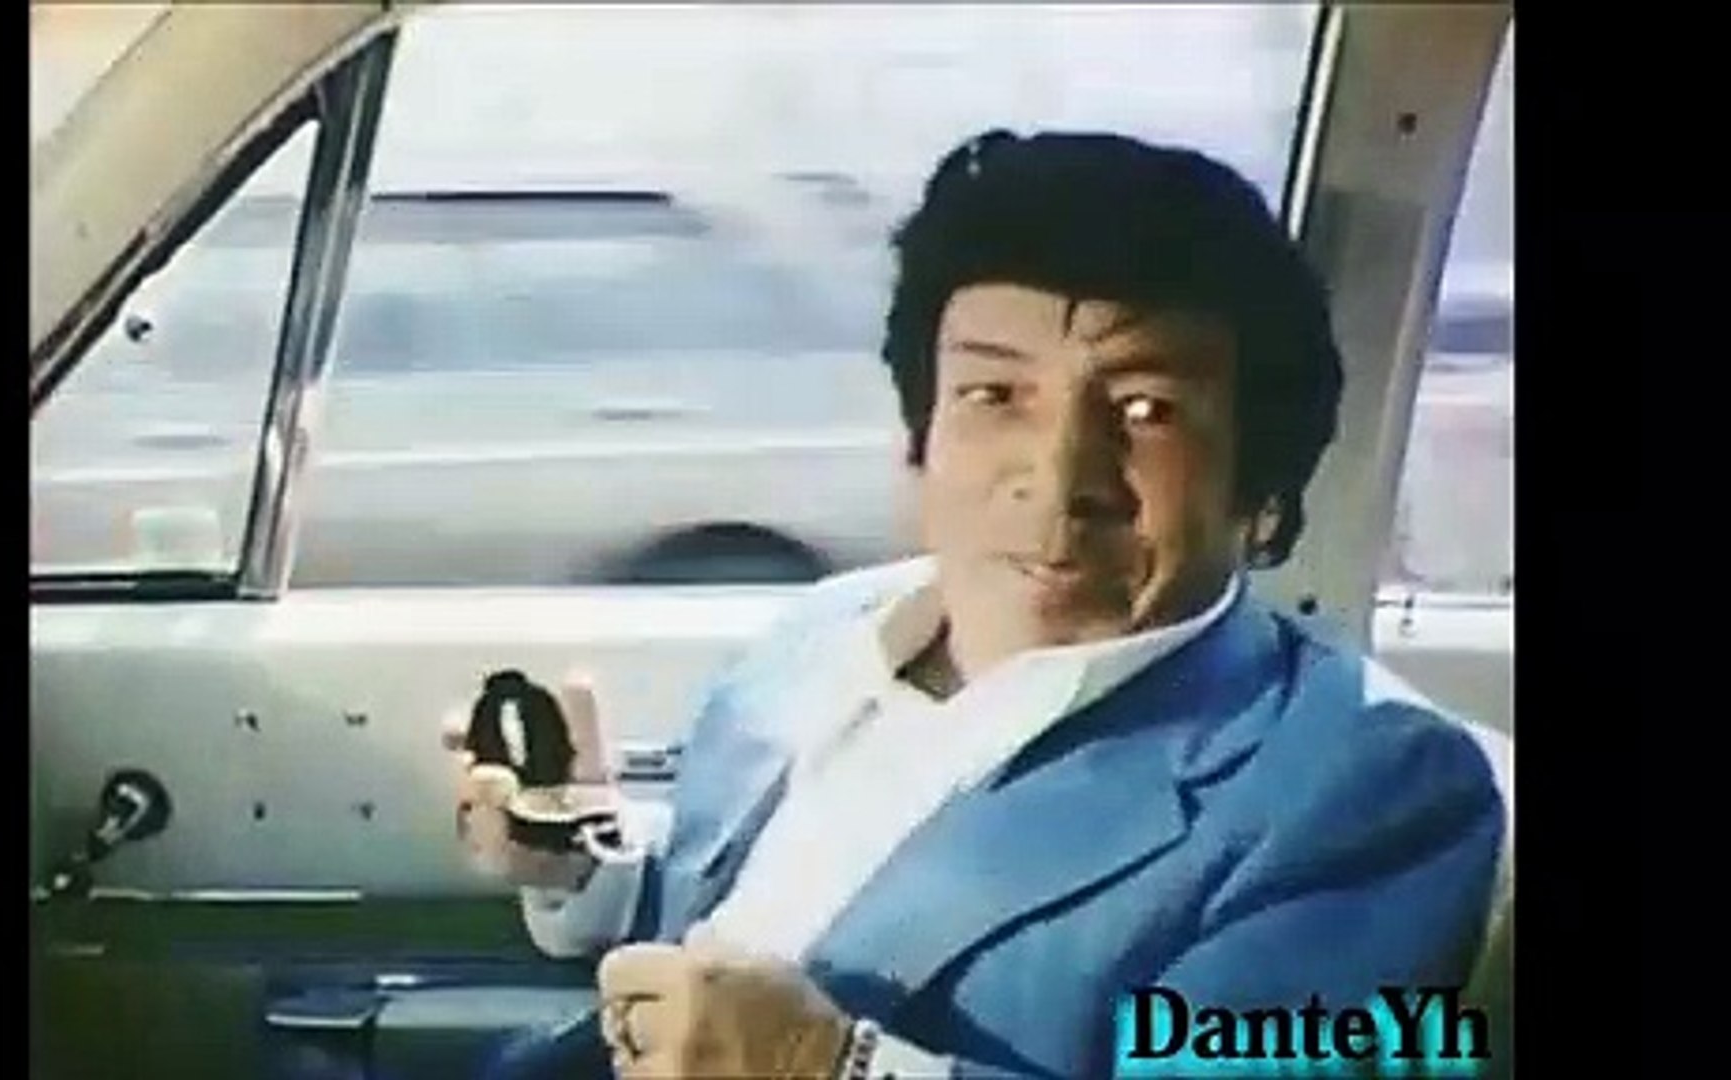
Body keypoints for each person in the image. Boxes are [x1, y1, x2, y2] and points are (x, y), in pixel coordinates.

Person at [448, 130, 1510, 1080]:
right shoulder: (825, 637)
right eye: (995, 395)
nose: (1058, 479)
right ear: (923, 432)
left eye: (1146, 410)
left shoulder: (1372, 789)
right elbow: (745, 925)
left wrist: (835, 1069)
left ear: (1261, 479)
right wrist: (582, 866)